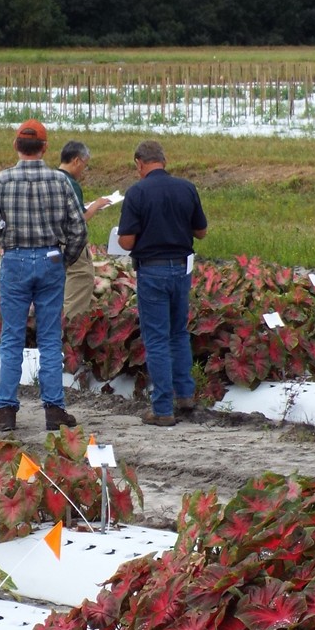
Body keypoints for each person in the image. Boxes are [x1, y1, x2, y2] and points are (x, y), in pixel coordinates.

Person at [0, 120, 88, 432]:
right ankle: (54, 410)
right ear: (45, 148)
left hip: (15, 259)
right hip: (52, 257)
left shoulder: (3, 179)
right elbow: (79, 228)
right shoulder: (59, 180)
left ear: (16, 146)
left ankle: (6, 411)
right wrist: (63, 258)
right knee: (50, 337)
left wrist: (5, 234)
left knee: (12, 336)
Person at [117, 141, 209, 426]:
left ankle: (162, 409)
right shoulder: (186, 188)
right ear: (164, 161)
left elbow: (126, 241)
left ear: (139, 163)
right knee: (178, 333)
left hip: (152, 271)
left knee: (156, 338)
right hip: (182, 269)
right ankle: (185, 396)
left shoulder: (137, 192)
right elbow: (201, 232)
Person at [57, 140, 113, 319]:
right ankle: (71, 330)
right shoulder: (70, 184)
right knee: (81, 281)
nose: (84, 171)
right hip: (72, 244)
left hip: (53, 242)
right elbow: (78, 220)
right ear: (76, 161)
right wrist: (97, 205)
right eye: (85, 166)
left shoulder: (52, 177)